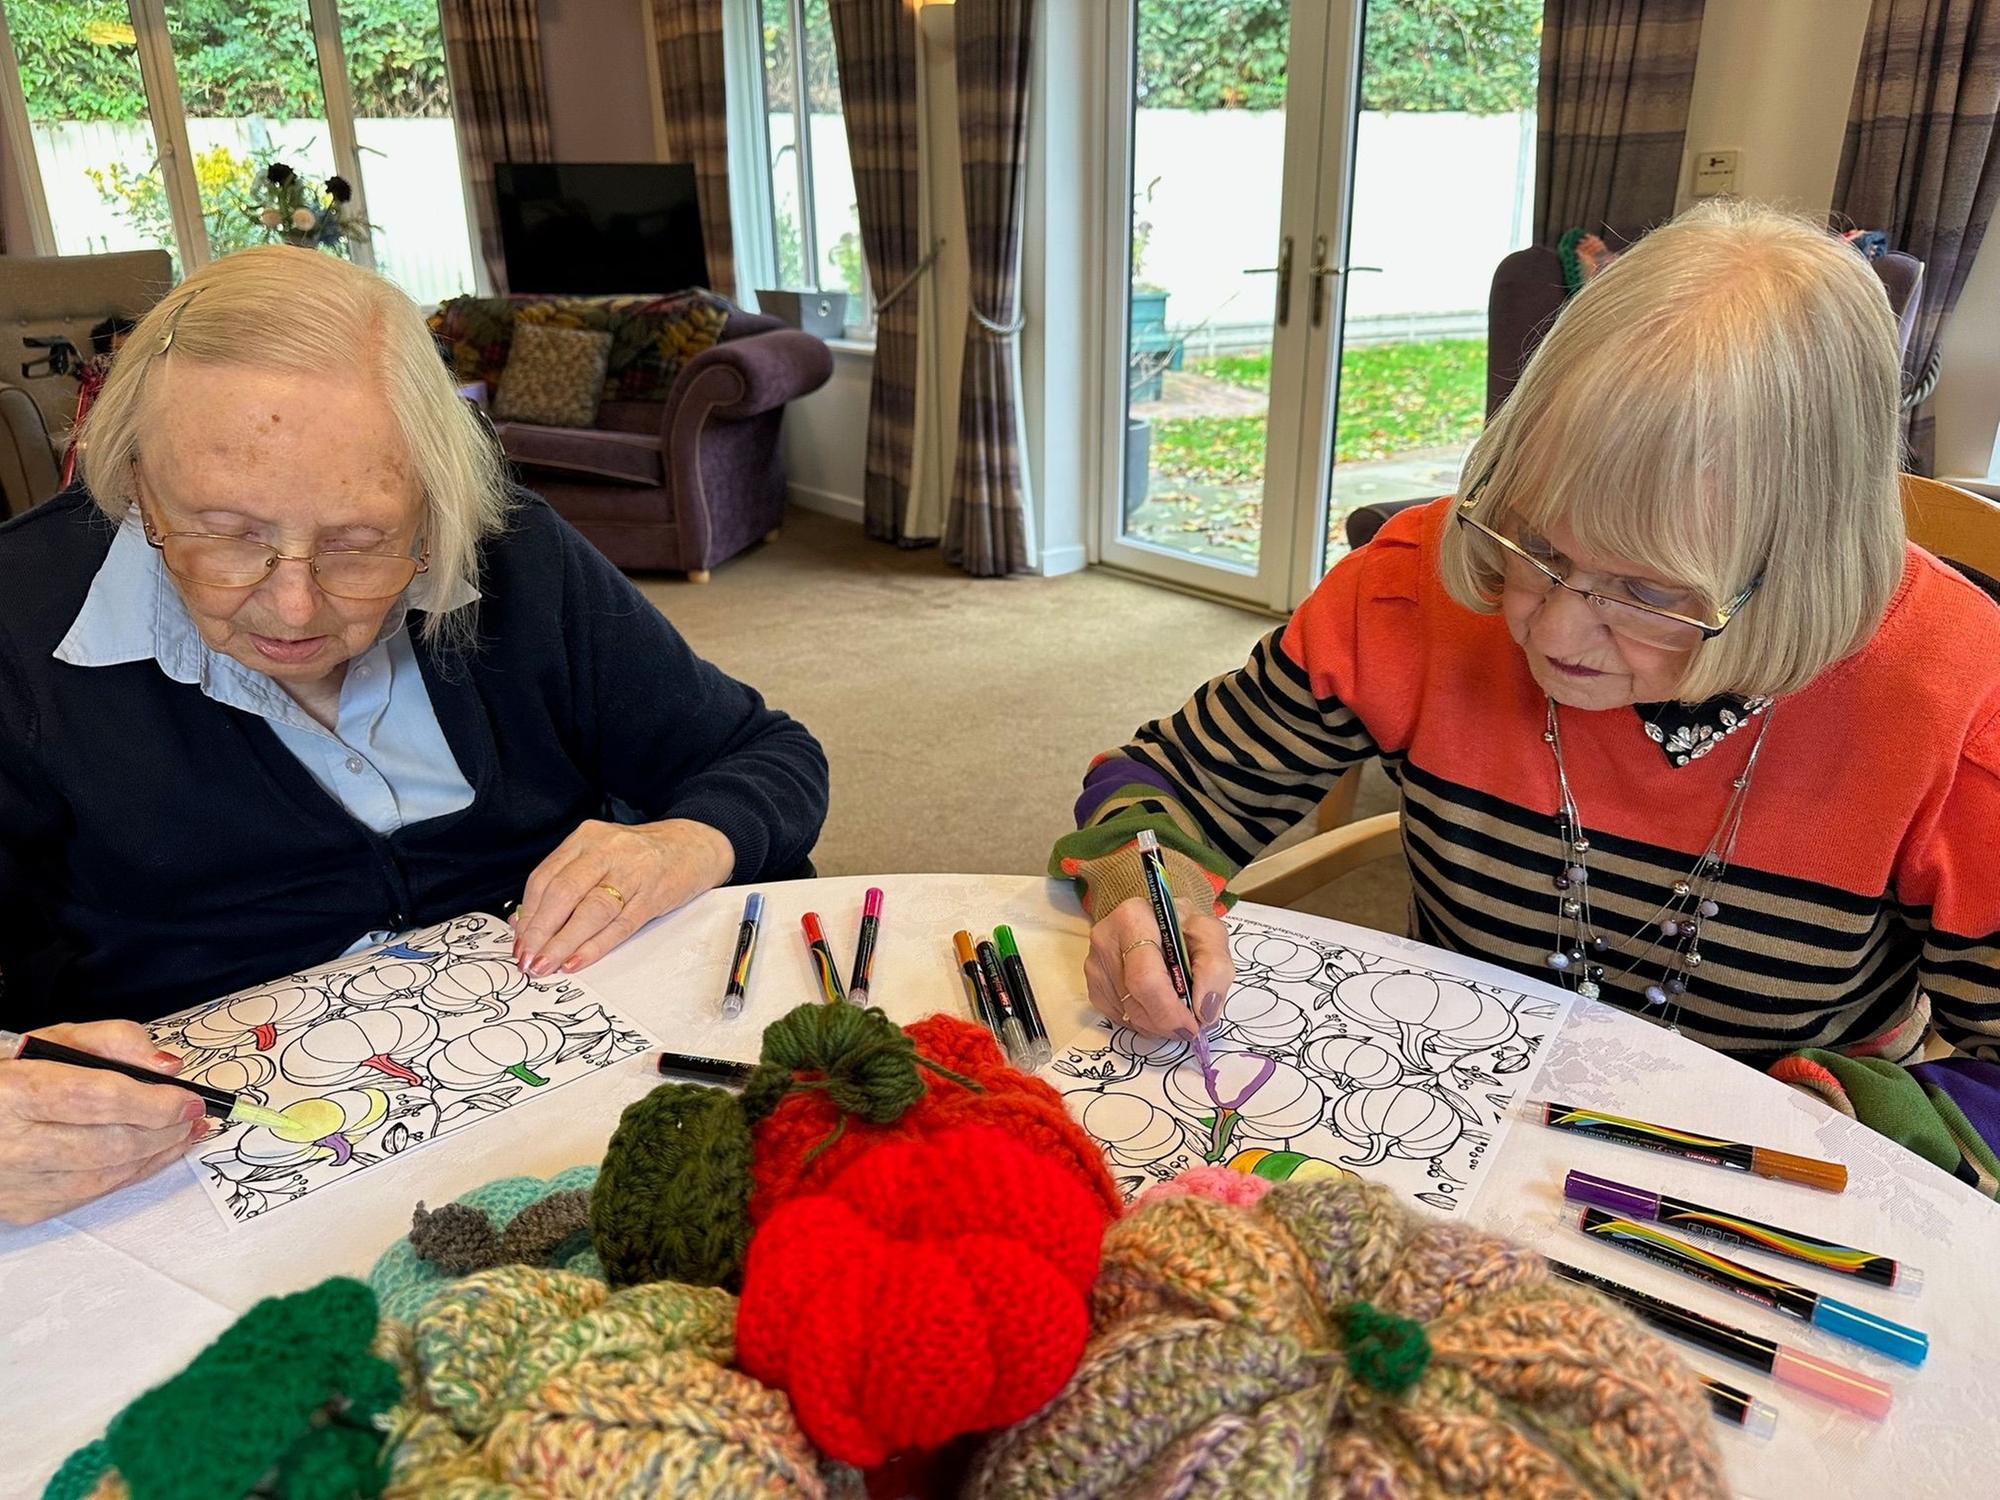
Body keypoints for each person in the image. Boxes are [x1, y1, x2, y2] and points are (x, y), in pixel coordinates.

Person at [1054, 201, 2000, 1070]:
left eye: (1643, 588)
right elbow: (1167, 782)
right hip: (1453, 1097)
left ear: (1794, 566)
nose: (1549, 627)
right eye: (1535, 544)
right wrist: (1145, 892)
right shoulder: (1417, 579)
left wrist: (1862, 1122)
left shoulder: (1956, 694)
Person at [0, 247, 827, 1222]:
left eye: (359, 541)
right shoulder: (20, 619)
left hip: (568, 1080)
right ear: (136, 482)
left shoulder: (515, 551)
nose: (294, 606)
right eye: (225, 533)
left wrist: (682, 840)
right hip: (210, 1164)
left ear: (435, 504)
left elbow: (764, 755)